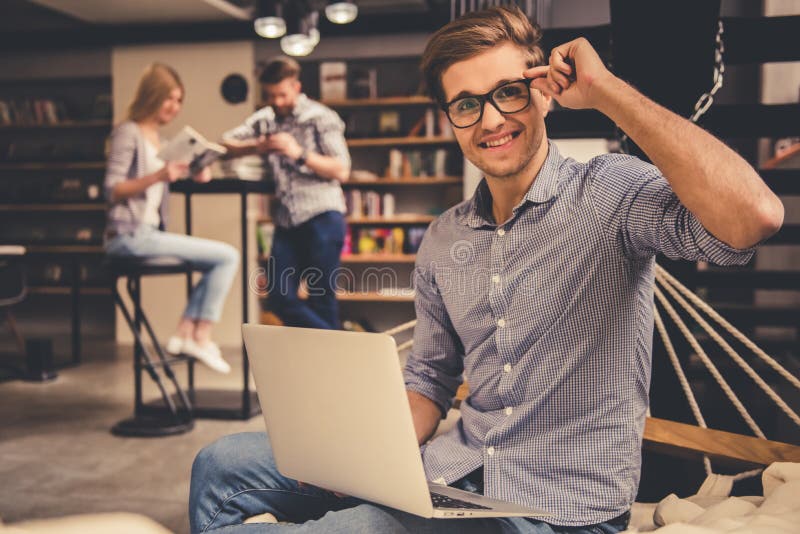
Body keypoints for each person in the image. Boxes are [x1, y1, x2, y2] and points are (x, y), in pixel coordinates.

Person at [188, 6, 783, 533]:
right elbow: (429, 379)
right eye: (467, 104)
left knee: (346, 528)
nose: (491, 119)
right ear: (451, 118)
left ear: (544, 93)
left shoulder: (611, 193)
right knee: (220, 463)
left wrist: (606, 92)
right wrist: (360, 457)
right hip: (450, 475)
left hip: (554, 510)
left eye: (509, 92)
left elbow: (754, 218)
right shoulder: (443, 237)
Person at [105, 62, 239, 374]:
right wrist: (159, 175)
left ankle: (186, 334)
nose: (174, 107)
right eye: (169, 98)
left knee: (220, 260)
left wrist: (196, 171)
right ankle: (198, 336)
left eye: (179, 100)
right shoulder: (128, 132)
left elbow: (172, 173)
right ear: (152, 95)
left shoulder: (161, 141)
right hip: (128, 236)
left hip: (149, 234)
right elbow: (112, 190)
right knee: (227, 257)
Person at [221, 56, 350, 330]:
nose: (276, 102)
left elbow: (341, 170)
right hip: (287, 222)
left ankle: (333, 353)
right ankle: (341, 342)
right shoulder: (264, 120)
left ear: (296, 87)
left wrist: (298, 153)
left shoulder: (320, 117)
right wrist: (257, 146)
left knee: (322, 299)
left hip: (323, 217)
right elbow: (225, 143)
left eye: (282, 94)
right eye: (270, 96)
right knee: (278, 298)